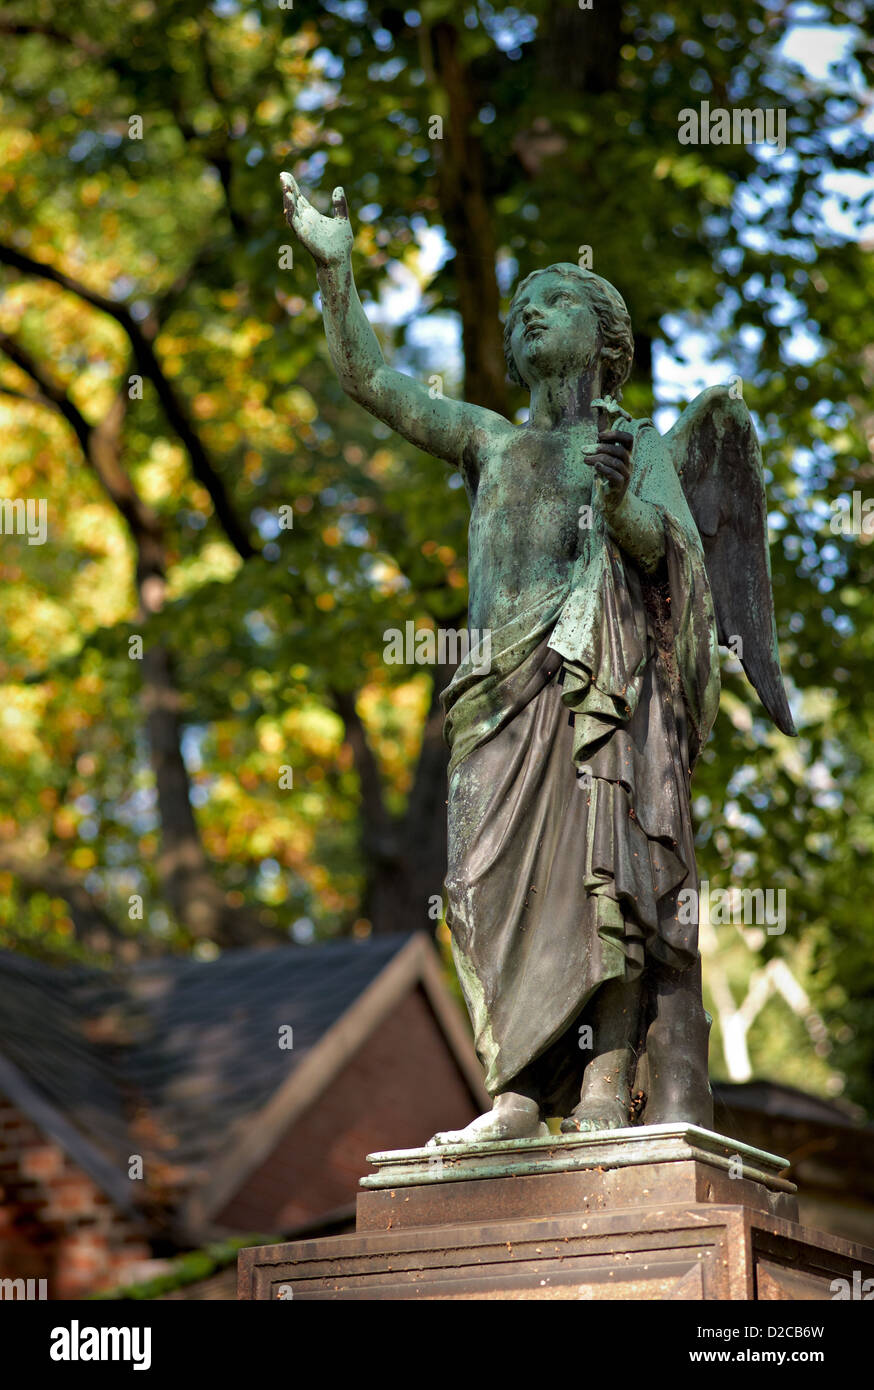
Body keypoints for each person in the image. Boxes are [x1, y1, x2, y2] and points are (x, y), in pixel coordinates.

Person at [281, 175, 720, 1143]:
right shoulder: (488, 439)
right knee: (481, 889)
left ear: (605, 338)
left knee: (601, 881)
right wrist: (338, 268)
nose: (525, 317)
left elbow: (671, 561)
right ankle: (516, 1095)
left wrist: (616, 506)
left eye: (550, 302)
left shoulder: (629, 442)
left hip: (587, 692)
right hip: (494, 701)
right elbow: (367, 381)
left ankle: (604, 1089)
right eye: (516, 308)